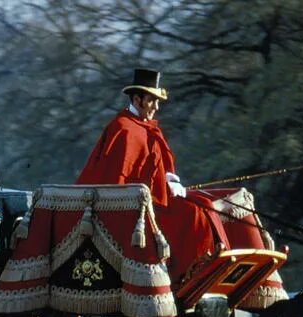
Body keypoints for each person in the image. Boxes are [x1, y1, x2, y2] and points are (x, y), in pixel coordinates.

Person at [76, 68, 217, 284]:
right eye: (152, 101)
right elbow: (119, 179)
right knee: (193, 214)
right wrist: (161, 185)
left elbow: (155, 167)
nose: (157, 107)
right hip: (131, 211)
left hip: (153, 200)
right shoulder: (122, 128)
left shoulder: (145, 127)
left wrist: (169, 179)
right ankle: (183, 275)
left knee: (204, 204)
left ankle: (204, 270)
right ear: (137, 99)